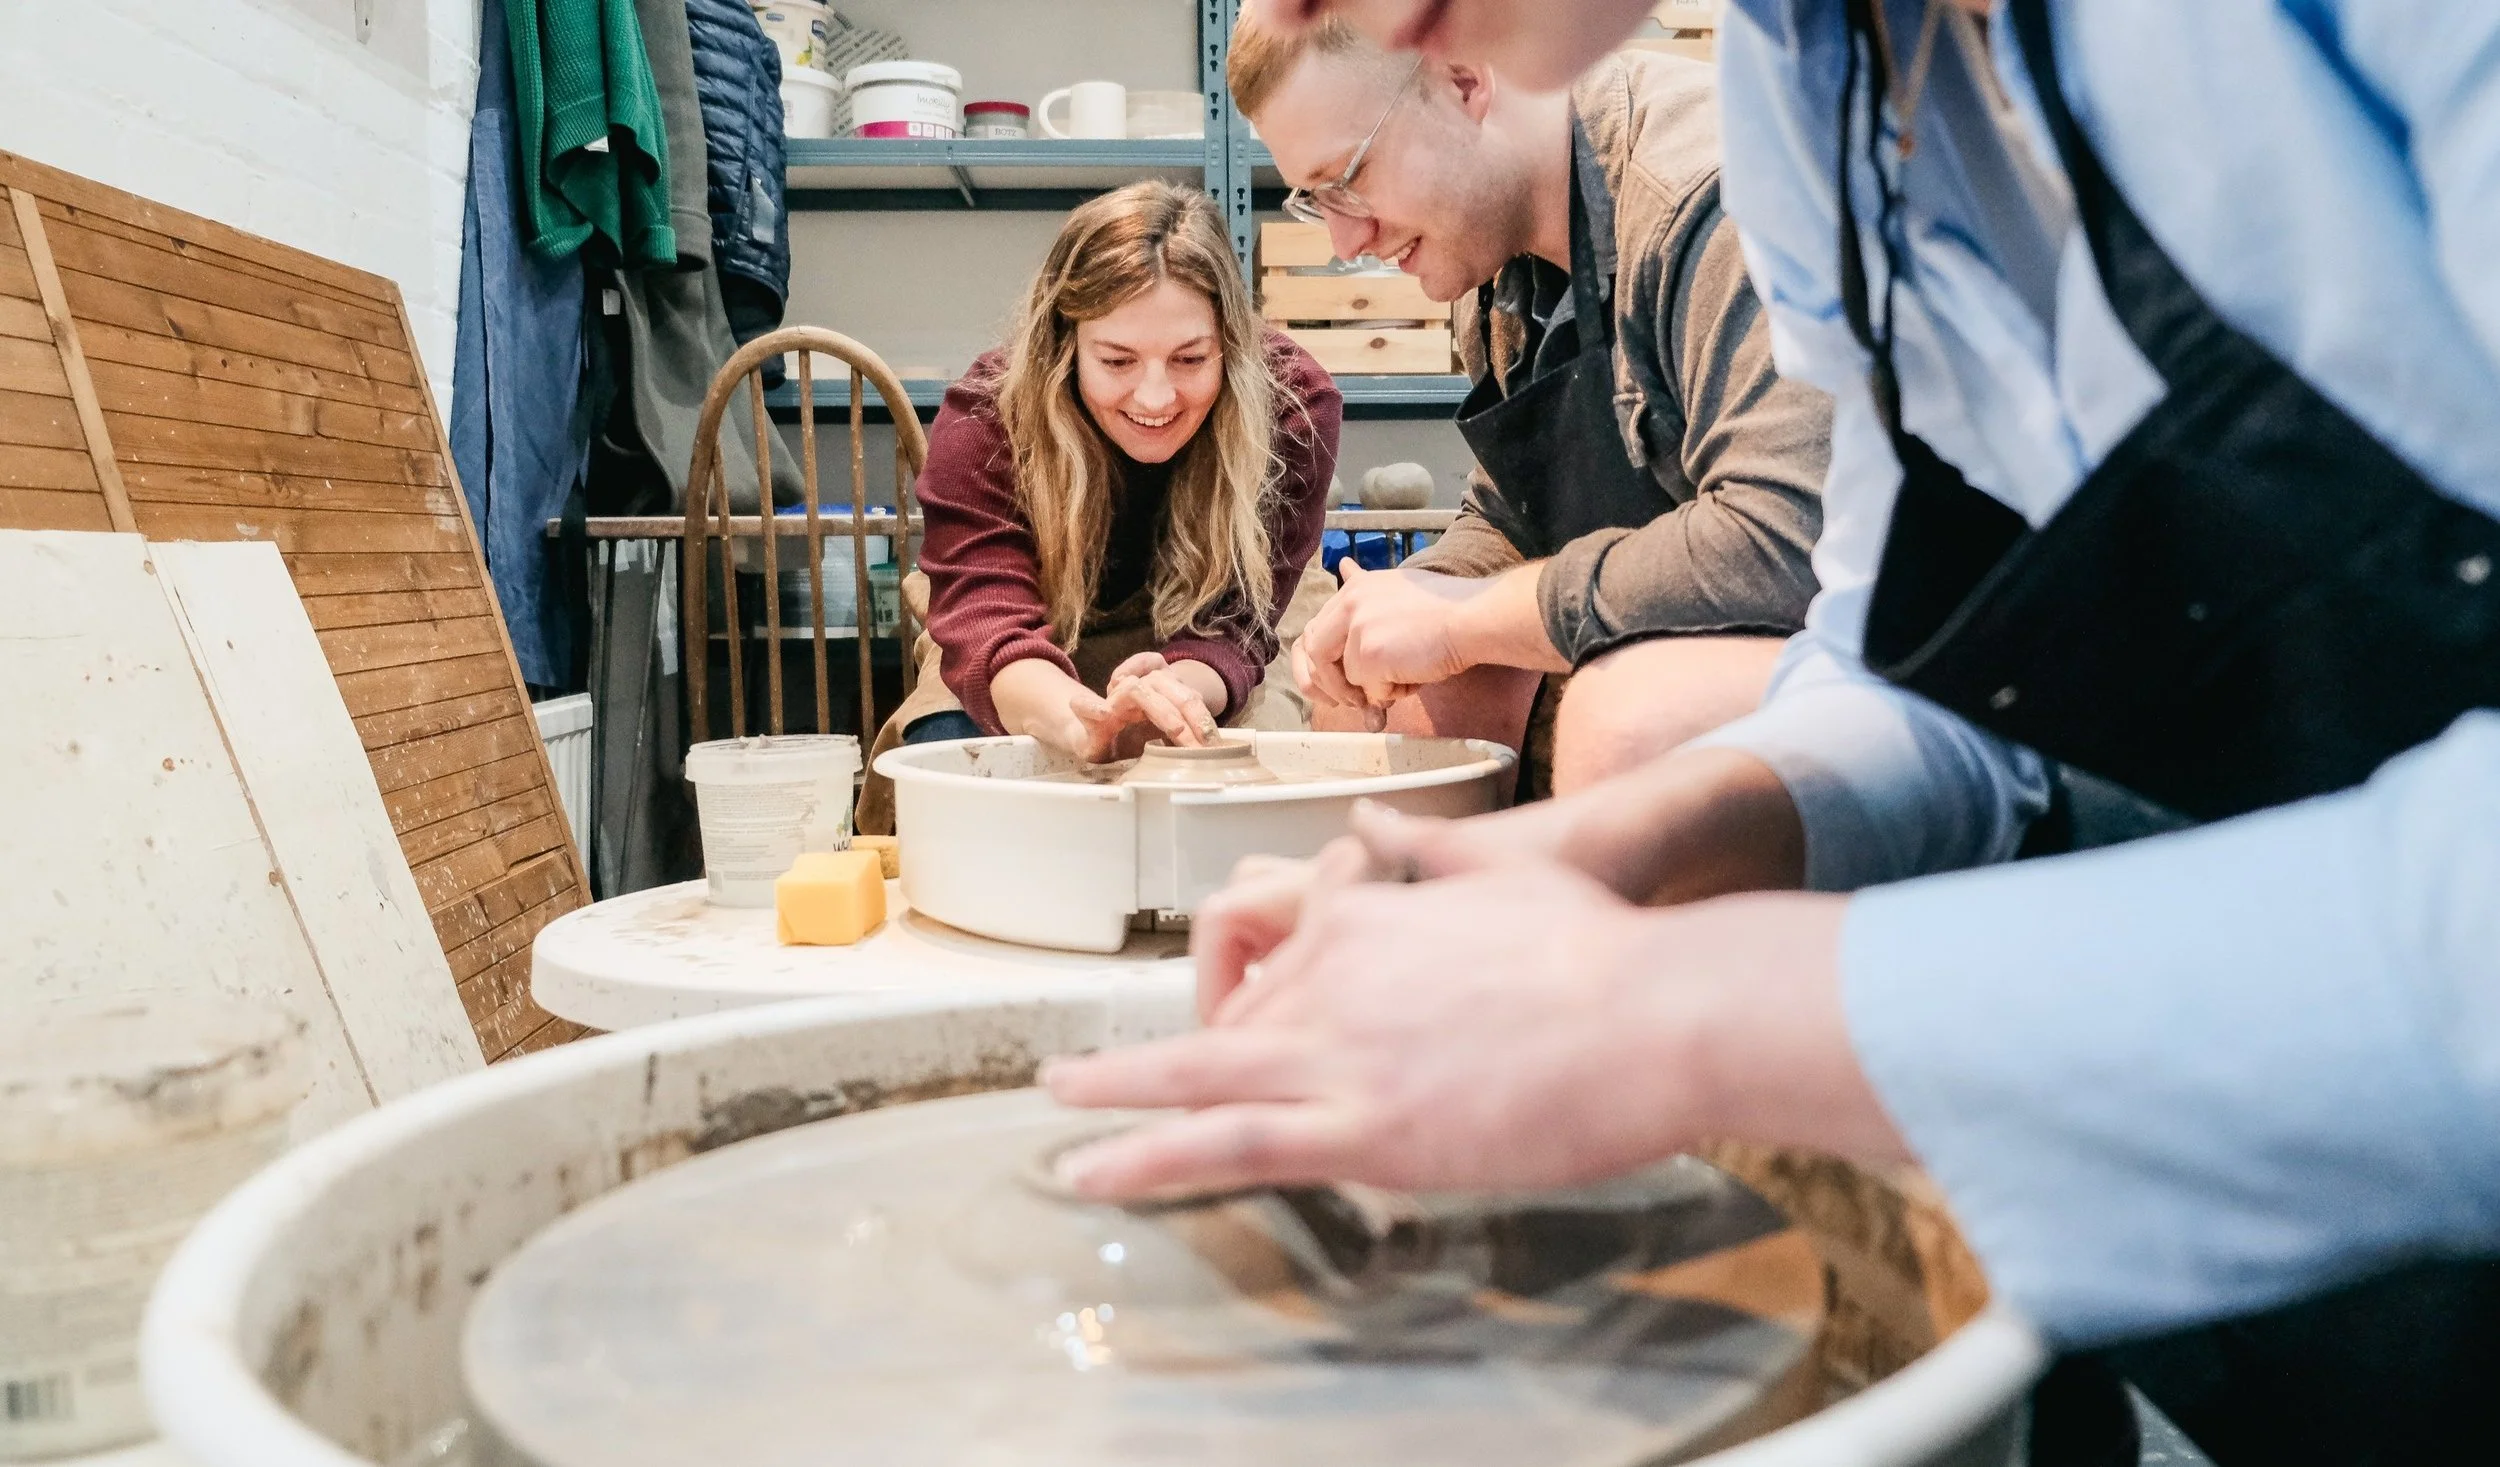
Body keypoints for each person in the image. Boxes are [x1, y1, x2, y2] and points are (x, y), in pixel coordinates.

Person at [1044, 1, 2500, 1462]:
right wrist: (1590, 856)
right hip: (2172, 1082)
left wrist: (1665, 1007)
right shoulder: (1814, 88)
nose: (1291, 0)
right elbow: (1909, 670)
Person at [1229, 12, 1829, 795]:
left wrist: (1462, 620)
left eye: (1350, 178)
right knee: (1389, 701)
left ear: (1465, 82)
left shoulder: (1708, 198)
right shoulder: (1487, 249)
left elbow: (1782, 546)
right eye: (1316, 199)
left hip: (1892, 644)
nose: (1346, 242)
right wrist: (1400, 609)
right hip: (1702, 612)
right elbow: (1518, 508)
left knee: (1630, 719)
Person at [857, 182, 1342, 832]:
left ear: (1231, 342)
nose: (1155, 394)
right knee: (954, 767)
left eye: (1191, 358)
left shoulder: (1293, 406)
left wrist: (1170, 700)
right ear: (1066, 345)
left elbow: (1238, 626)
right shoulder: (986, 419)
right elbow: (989, 622)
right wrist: (1077, 722)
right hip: (1025, 642)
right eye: (1116, 360)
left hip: (1210, 647)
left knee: (1252, 796)